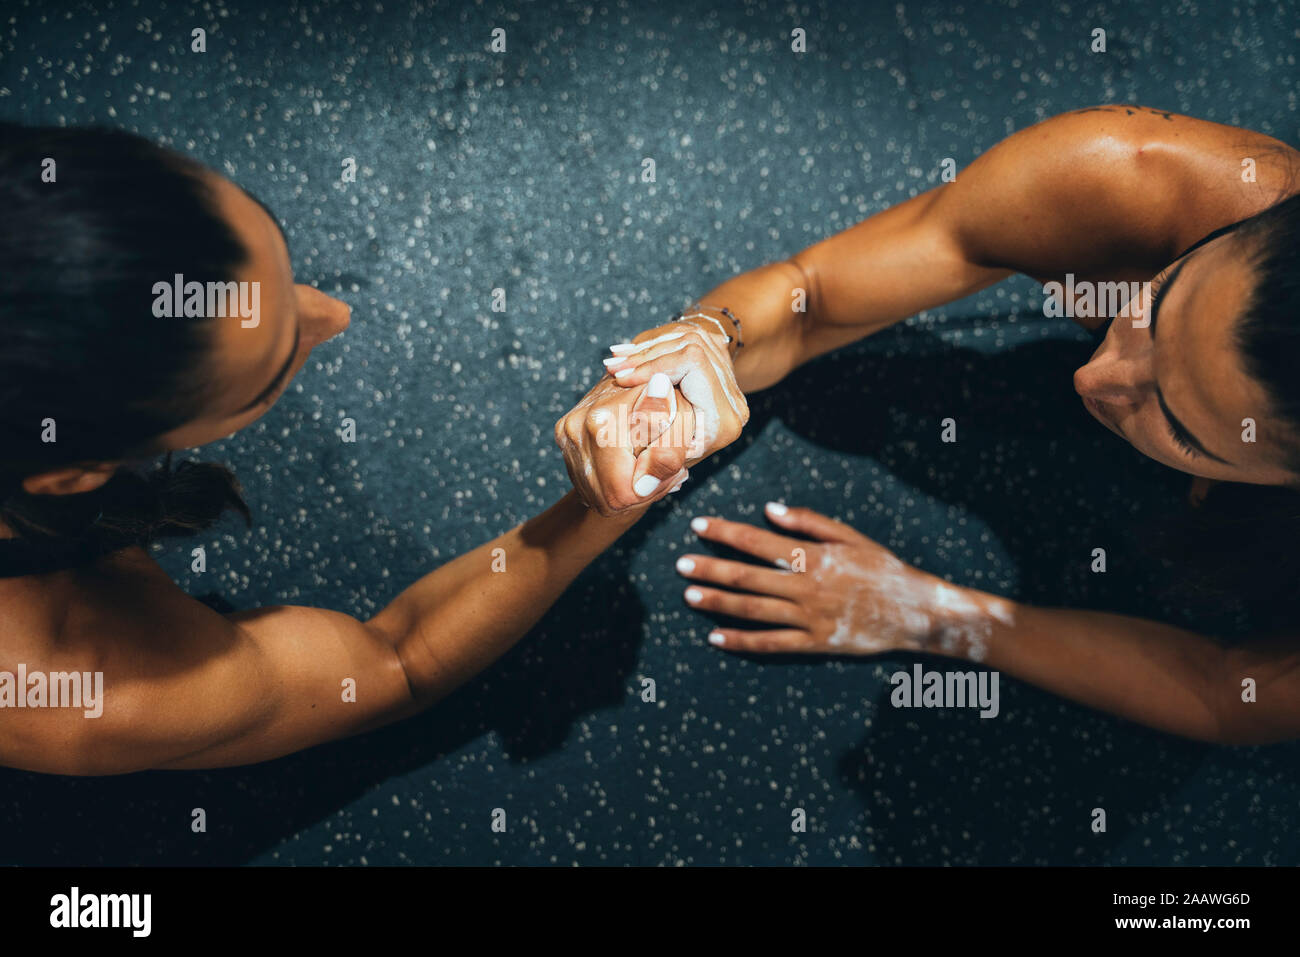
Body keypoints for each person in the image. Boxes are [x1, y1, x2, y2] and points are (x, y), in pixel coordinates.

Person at [0, 123, 742, 774]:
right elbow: (395, 662)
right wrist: (605, 503)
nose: (335, 313)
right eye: (271, 372)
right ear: (72, 475)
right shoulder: (78, 684)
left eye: (283, 268)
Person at [558, 104, 1300, 744]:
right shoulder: (1130, 180)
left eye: (1181, 425)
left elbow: (1225, 688)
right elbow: (811, 296)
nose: (1091, 377)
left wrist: (930, 615)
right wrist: (700, 352)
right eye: (1155, 306)